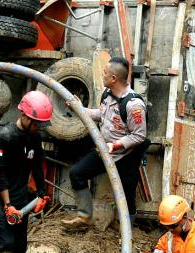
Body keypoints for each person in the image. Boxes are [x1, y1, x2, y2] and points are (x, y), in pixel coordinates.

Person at [63, 57, 148, 228]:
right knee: (76, 174)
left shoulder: (134, 105)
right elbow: (101, 116)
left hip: (126, 155)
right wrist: (80, 109)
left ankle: (126, 230)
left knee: (126, 195)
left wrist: (115, 146)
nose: (102, 75)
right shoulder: (107, 95)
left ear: (114, 78)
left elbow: (139, 136)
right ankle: (84, 216)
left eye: (105, 73)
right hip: (104, 150)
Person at [0, 90, 52, 253]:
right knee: (6, 242)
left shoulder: (34, 136)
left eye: (40, 124)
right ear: (24, 115)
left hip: (21, 196)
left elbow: (37, 165)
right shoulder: (4, 137)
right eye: (35, 123)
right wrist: (7, 205)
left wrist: (42, 192)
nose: (38, 127)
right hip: (1, 197)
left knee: (20, 242)